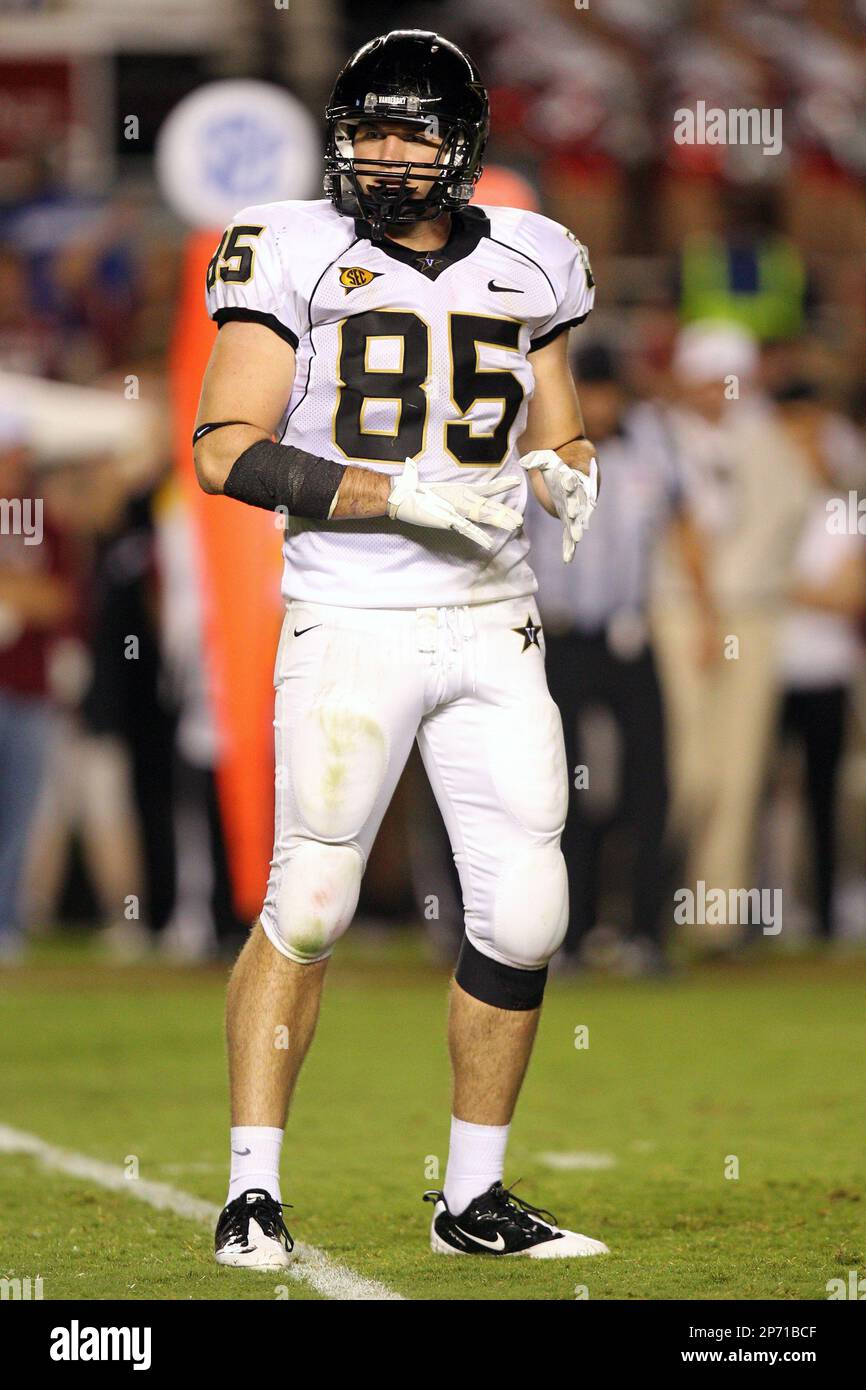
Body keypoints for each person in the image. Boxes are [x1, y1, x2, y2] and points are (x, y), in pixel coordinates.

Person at [194, 30, 608, 1266]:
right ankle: (252, 1191)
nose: (383, 155)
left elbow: (564, 425)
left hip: (493, 619)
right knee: (311, 901)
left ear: (461, 146)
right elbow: (223, 446)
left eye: (408, 133)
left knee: (528, 912)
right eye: (365, 130)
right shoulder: (291, 247)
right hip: (355, 617)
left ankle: (470, 1197)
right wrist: (396, 498)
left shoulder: (534, 258)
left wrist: (565, 470)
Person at [526, 343, 714, 974]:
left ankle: (644, 933)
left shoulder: (652, 444)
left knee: (651, 783)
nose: (601, 406)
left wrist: (707, 613)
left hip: (630, 637)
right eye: (590, 393)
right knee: (562, 787)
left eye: (608, 393)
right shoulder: (535, 445)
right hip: (560, 638)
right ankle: (570, 936)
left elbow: (682, 523)